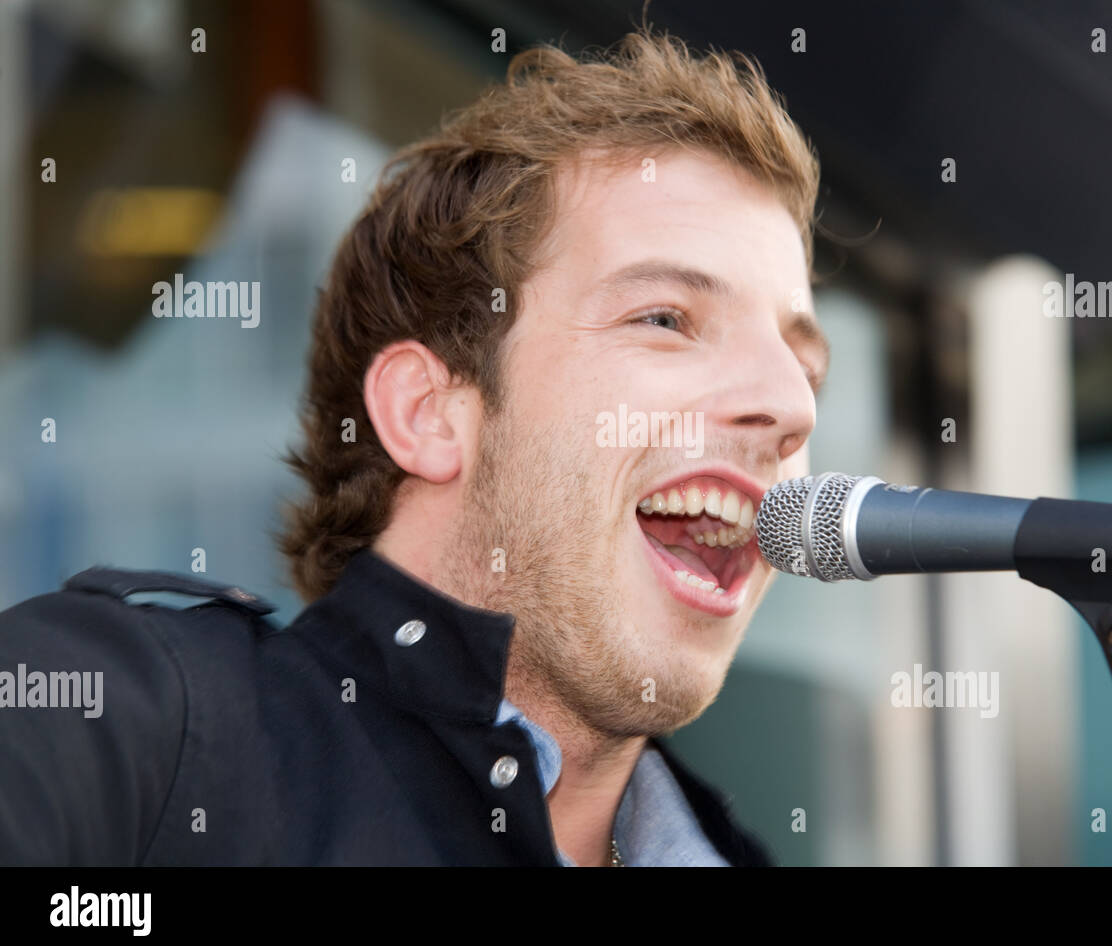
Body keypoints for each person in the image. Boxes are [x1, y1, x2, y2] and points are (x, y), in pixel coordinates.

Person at [0, 27, 828, 866]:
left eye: (806, 369)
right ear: (428, 413)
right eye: (666, 319)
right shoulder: (124, 728)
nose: (791, 406)